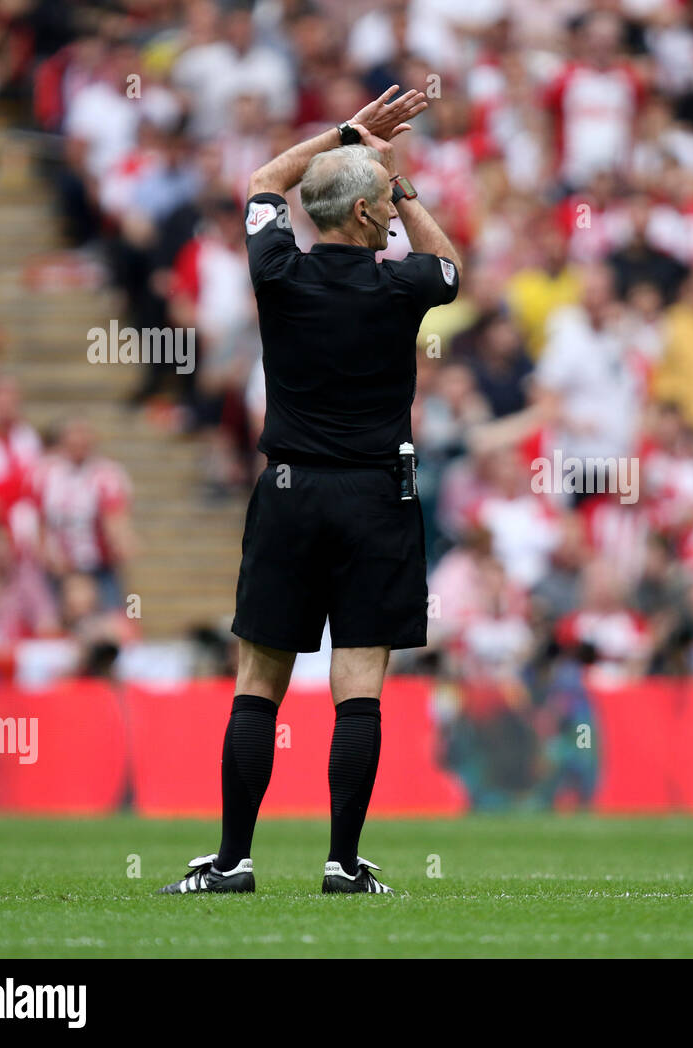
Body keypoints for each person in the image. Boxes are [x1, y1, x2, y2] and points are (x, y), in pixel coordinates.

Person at [161, 86, 461, 896]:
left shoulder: (277, 271)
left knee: (258, 682)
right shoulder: (402, 284)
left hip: (289, 495)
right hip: (376, 500)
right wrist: (398, 181)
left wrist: (345, 135)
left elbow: (263, 176)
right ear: (367, 216)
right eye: (381, 213)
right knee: (357, 687)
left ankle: (231, 862)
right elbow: (451, 267)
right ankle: (342, 864)